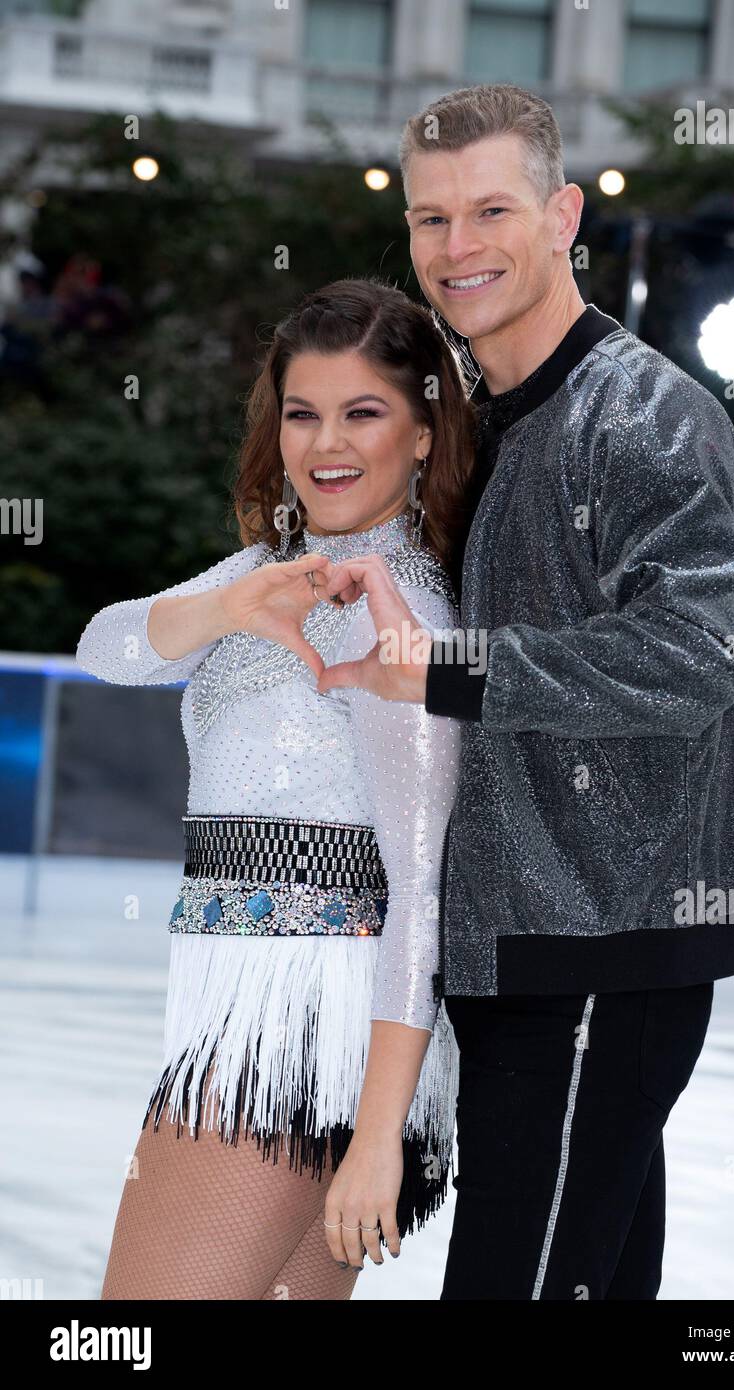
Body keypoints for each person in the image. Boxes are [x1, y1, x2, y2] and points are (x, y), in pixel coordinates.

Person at [317, 84, 734, 1300]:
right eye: (429, 219)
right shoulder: (477, 426)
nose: (457, 247)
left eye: (491, 209)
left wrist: (450, 671)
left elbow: (695, 655)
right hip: (522, 951)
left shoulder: (650, 415)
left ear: (564, 213)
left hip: (601, 950)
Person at [76, 277, 475, 1299]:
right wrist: (228, 605)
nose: (325, 441)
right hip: (251, 1030)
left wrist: (380, 1137)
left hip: (305, 1045)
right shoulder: (269, 572)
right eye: (303, 412)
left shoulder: (404, 614)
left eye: (363, 411)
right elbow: (106, 646)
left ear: (425, 433)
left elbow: (421, 894)